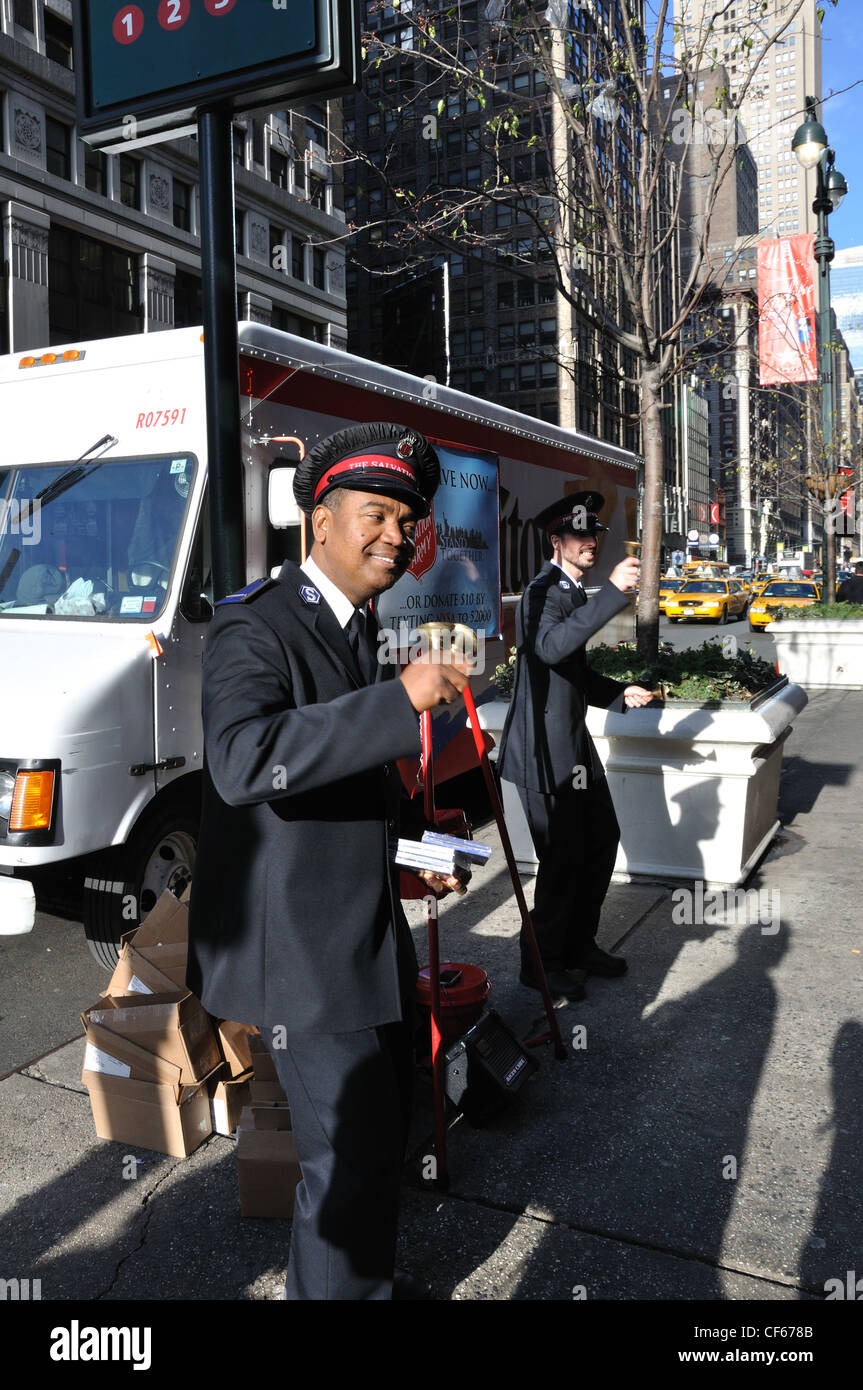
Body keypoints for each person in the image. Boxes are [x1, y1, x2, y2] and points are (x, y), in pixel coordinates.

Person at [186, 423, 473, 1300]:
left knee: (381, 1135)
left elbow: (340, 781)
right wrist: (399, 699)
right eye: (375, 514)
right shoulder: (254, 623)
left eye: (408, 520)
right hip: (302, 955)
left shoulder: (356, 624)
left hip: (360, 934)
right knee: (346, 1160)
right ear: (319, 520)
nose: (395, 534)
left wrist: (410, 856)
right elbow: (242, 762)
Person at [496, 491, 653, 1002]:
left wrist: (616, 694)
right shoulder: (542, 591)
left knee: (600, 842)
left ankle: (579, 946)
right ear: (556, 541)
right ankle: (541, 966)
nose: (590, 543)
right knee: (562, 862)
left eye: (594, 536)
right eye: (580, 535)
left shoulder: (571, 591)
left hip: (571, 745)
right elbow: (550, 648)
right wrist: (612, 593)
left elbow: (571, 670)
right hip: (543, 752)